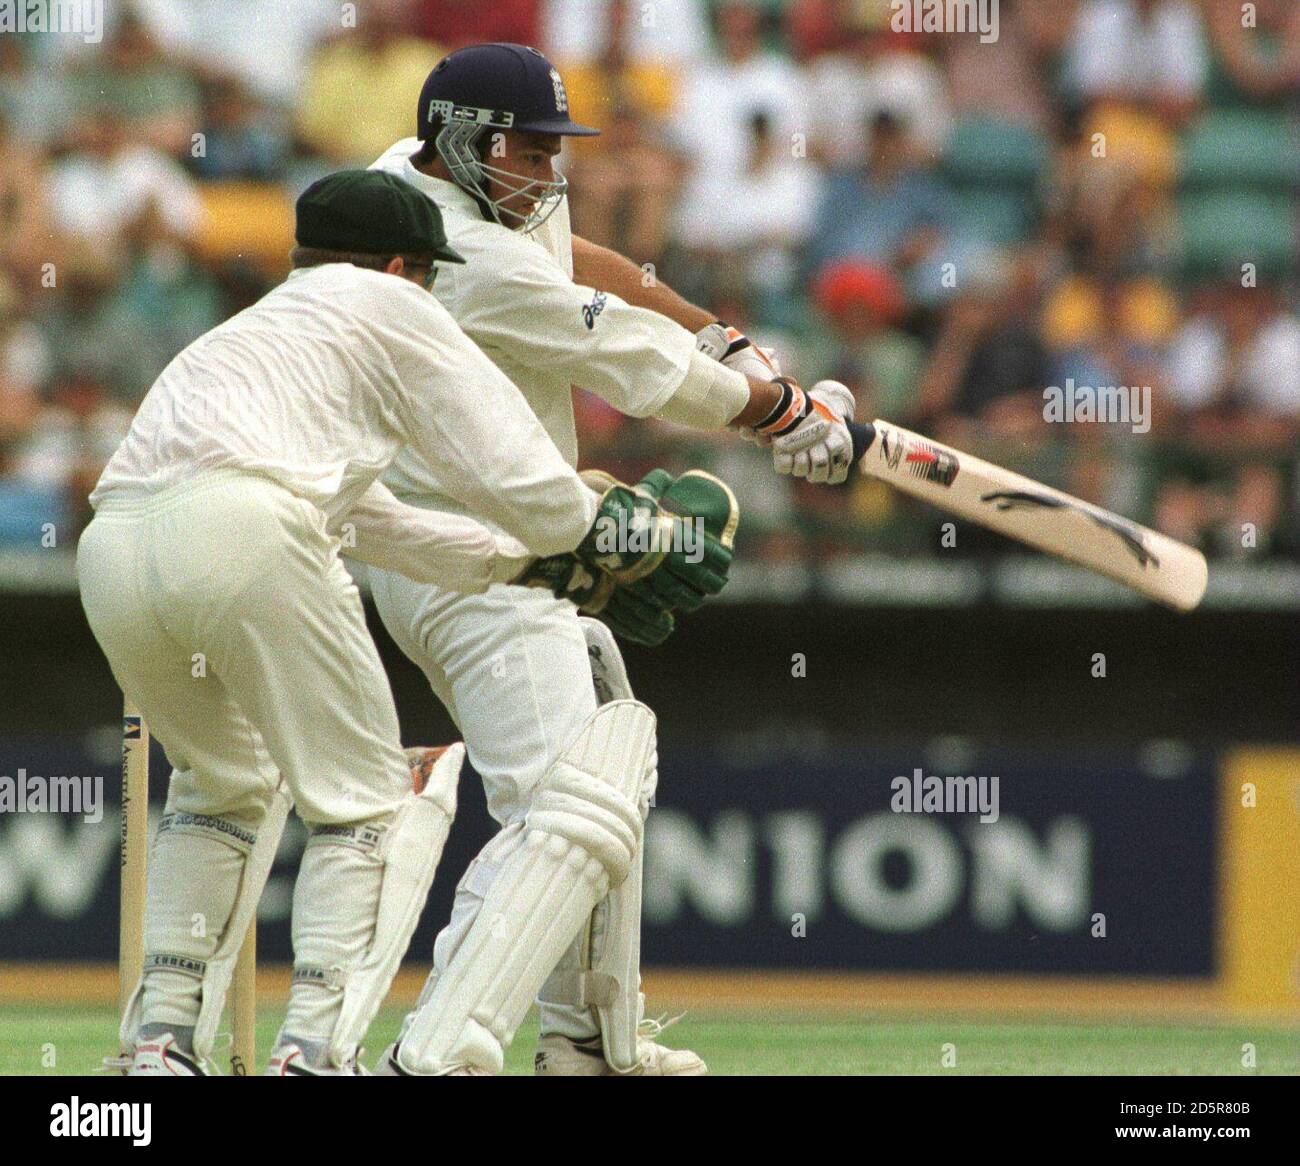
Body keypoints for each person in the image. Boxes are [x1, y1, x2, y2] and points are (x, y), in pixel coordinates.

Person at [78, 168, 731, 1076]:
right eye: (429, 275)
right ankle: (311, 1053)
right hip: (250, 531)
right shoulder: (391, 303)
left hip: (112, 548)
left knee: (218, 786)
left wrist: (522, 562)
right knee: (365, 808)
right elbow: (514, 469)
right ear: (400, 266)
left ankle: (158, 1050)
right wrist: (603, 533)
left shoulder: (252, 335)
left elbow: (370, 518)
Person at [365, 41, 856, 1076]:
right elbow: (625, 363)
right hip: (451, 547)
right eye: (529, 150)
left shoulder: (439, 171)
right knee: (567, 803)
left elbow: (587, 265)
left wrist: (723, 335)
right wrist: (780, 411)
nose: (548, 172)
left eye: (553, 148)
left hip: (507, 524)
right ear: (460, 141)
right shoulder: (456, 250)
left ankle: (588, 1038)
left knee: (601, 759)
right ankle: (434, 1048)